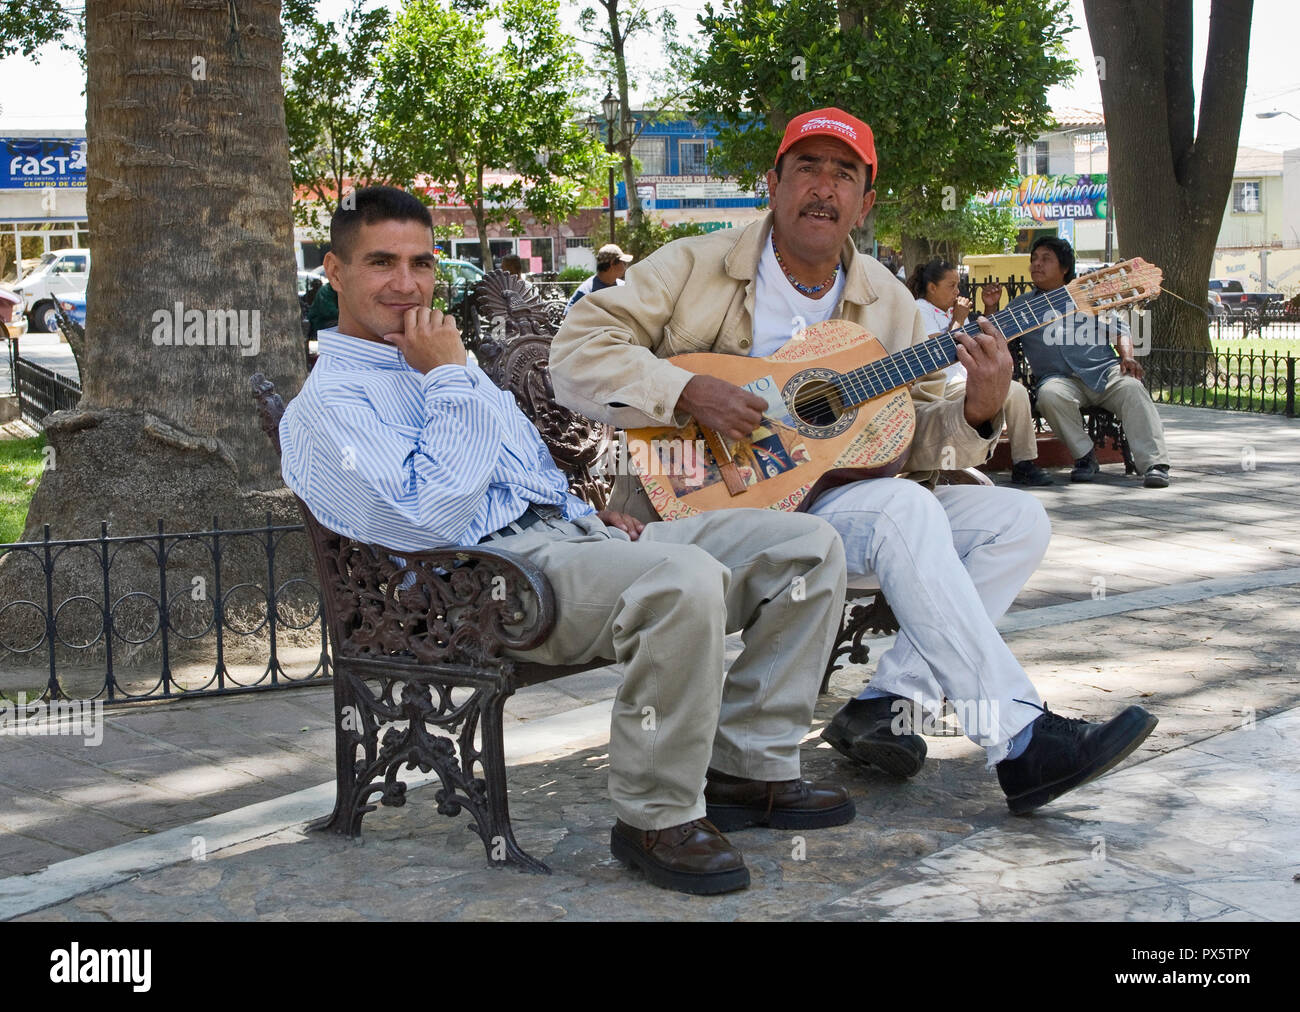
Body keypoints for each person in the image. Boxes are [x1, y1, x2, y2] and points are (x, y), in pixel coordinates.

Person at [551, 108, 1157, 815]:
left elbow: (918, 434)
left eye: (844, 174)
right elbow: (576, 352)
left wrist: (979, 410)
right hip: (705, 510)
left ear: (864, 203)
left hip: (831, 508)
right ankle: (1021, 740)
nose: (823, 187)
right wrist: (687, 389)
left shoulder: (888, 302)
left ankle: (890, 700)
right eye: (806, 167)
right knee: (903, 510)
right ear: (771, 183)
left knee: (1015, 519)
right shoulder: (693, 265)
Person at [279, 186, 853, 896]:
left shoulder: (434, 358)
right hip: (479, 586)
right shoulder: (330, 406)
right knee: (682, 581)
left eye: (421, 263)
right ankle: (655, 815)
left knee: (806, 546)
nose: (406, 284)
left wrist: (587, 517)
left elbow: (525, 466)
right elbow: (429, 517)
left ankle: (748, 768)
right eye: (381, 263)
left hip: (566, 544)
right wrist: (451, 381)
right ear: (333, 272)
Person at [993, 237, 1171, 488]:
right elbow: (993, 332)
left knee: (1133, 389)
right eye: (1034, 259)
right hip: (1058, 379)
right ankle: (1085, 457)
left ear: (1064, 268)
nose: (1036, 265)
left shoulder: (1090, 296)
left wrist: (1128, 357)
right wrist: (992, 307)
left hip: (1104, 372)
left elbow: (1120, 330)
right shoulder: (1022, 307)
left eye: (1045, 259)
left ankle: (1155, 464)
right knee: (1050, 395)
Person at [907, 259, 1052, 486]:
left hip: (966, 379)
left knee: (1016, 392)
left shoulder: (949, 312)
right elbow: (938, 352)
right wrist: (959, 320)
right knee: (1012, 392)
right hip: (941, 385)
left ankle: (1024, 462)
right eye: (951, 285)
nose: (957, 291)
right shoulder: (919, 308)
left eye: (958, 285)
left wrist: (989, 308)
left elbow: (980, 339)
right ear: (932, 287)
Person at [564, 243, 632, 314]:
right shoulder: (585, 292)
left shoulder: (624, 287)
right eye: (623, 263)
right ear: (612, 263)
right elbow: (567, 318)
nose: (625, 267)